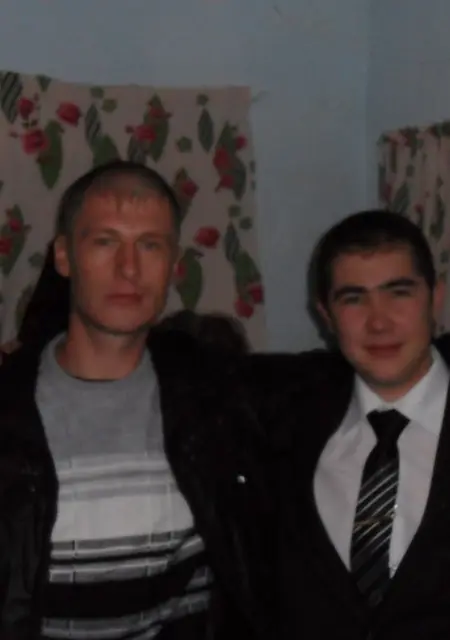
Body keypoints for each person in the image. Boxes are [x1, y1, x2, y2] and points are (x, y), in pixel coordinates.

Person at [0, 161, 276, 639]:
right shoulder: (10, 409)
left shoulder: (219, 401)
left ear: (174, 264)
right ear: (64, 256)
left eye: (149, 245)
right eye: (104, 242)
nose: (128, 268)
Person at [277, 209, 450, 639]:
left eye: (399, 293)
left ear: (436, 297)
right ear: (326, 315)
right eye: (353, 299)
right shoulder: (283, 433)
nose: (378, 321)